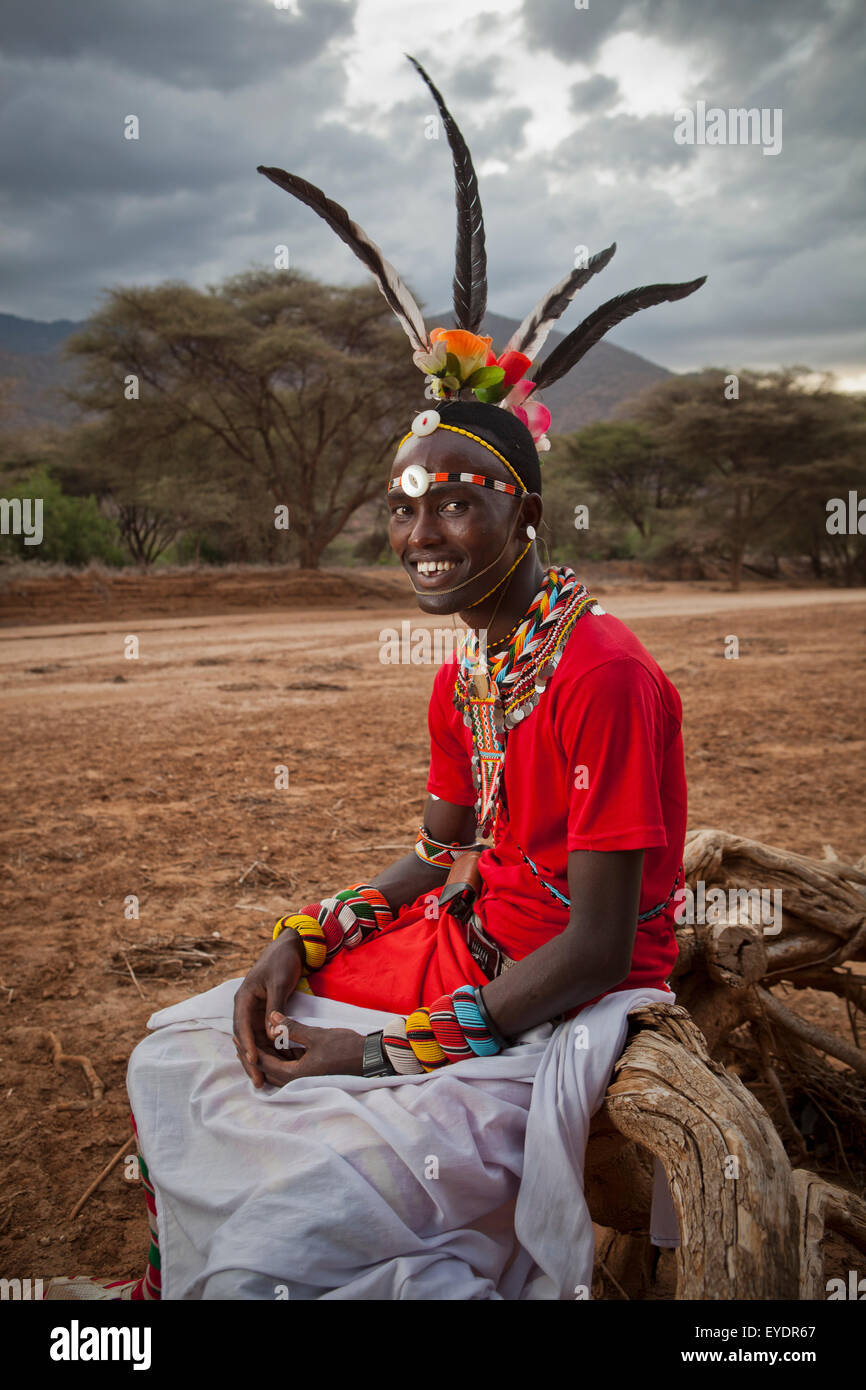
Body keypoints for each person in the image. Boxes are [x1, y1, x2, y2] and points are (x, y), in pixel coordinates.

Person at [44, 56, 702, 1302]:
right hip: (452, 948)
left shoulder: (603, 673)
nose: (421, 535)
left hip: (548, 999)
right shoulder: (473, 674)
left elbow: (598, 944)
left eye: (458, 501)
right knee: (190, 1047)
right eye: (403, 507)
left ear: (525, 509)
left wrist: (378, 1055)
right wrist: (302, 937)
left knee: (303, 1207)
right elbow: (439, 852)